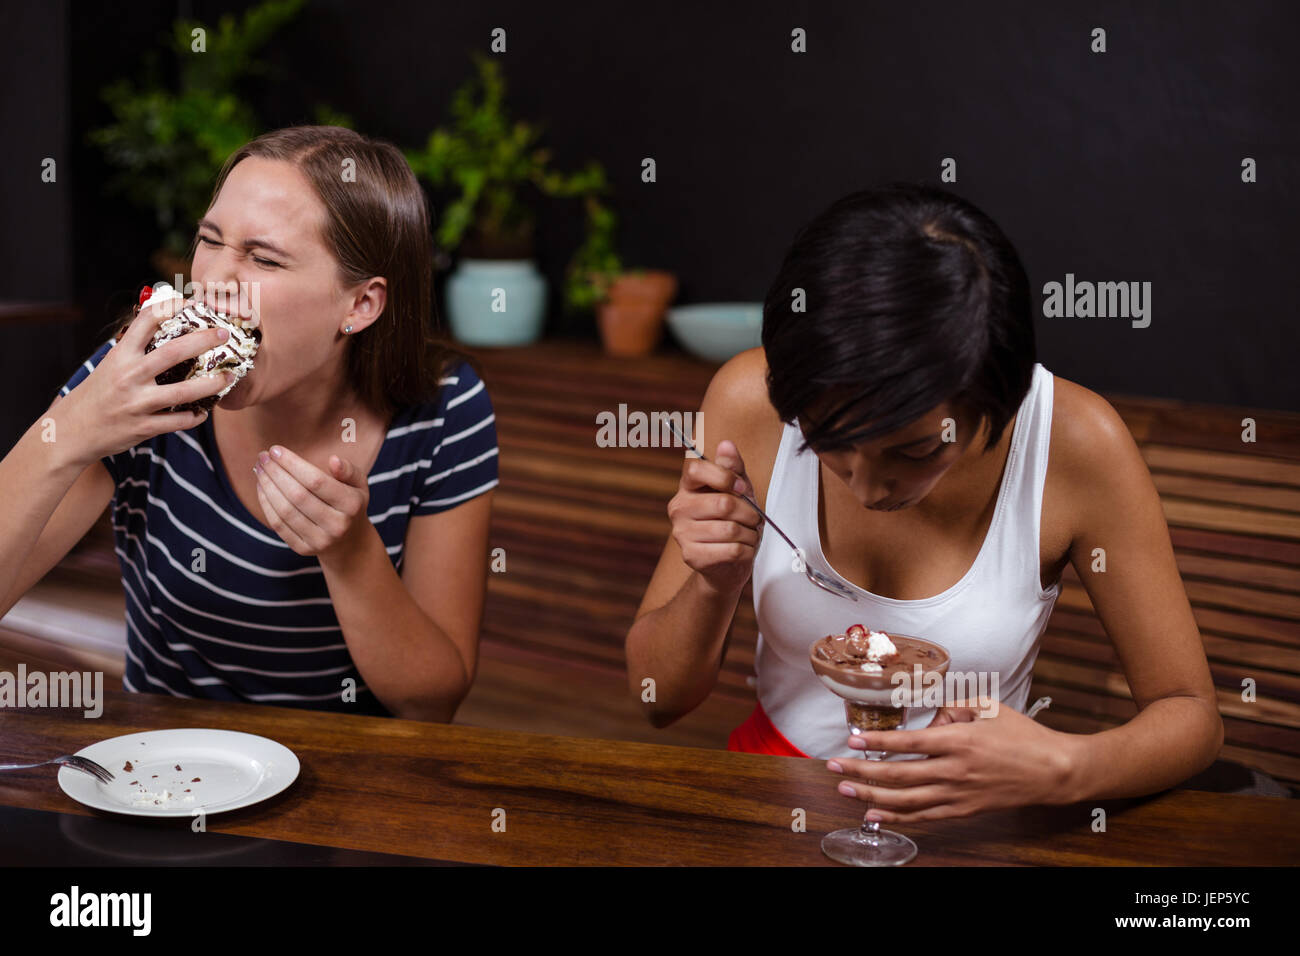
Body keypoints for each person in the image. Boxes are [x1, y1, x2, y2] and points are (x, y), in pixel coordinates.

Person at [625, 182, 1223, 822]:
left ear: (998, 397)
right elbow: (657, 699)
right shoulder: (751, 400)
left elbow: (1192, 716)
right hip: (778, 798)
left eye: (912, 453)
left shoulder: (1077, 444)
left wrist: (1062, 767)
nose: (867, 488)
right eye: (827, 444)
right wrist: (715, 583)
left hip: (973, 820)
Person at [0, 126, 498, 721]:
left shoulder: (446, 407)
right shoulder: (137, 381)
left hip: (360, 779)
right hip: (163, 767)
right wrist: (70, 433)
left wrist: (350, 554)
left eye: (263, 258)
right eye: (209, 241)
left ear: (360, 304)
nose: (212, 280)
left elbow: (432, 701)